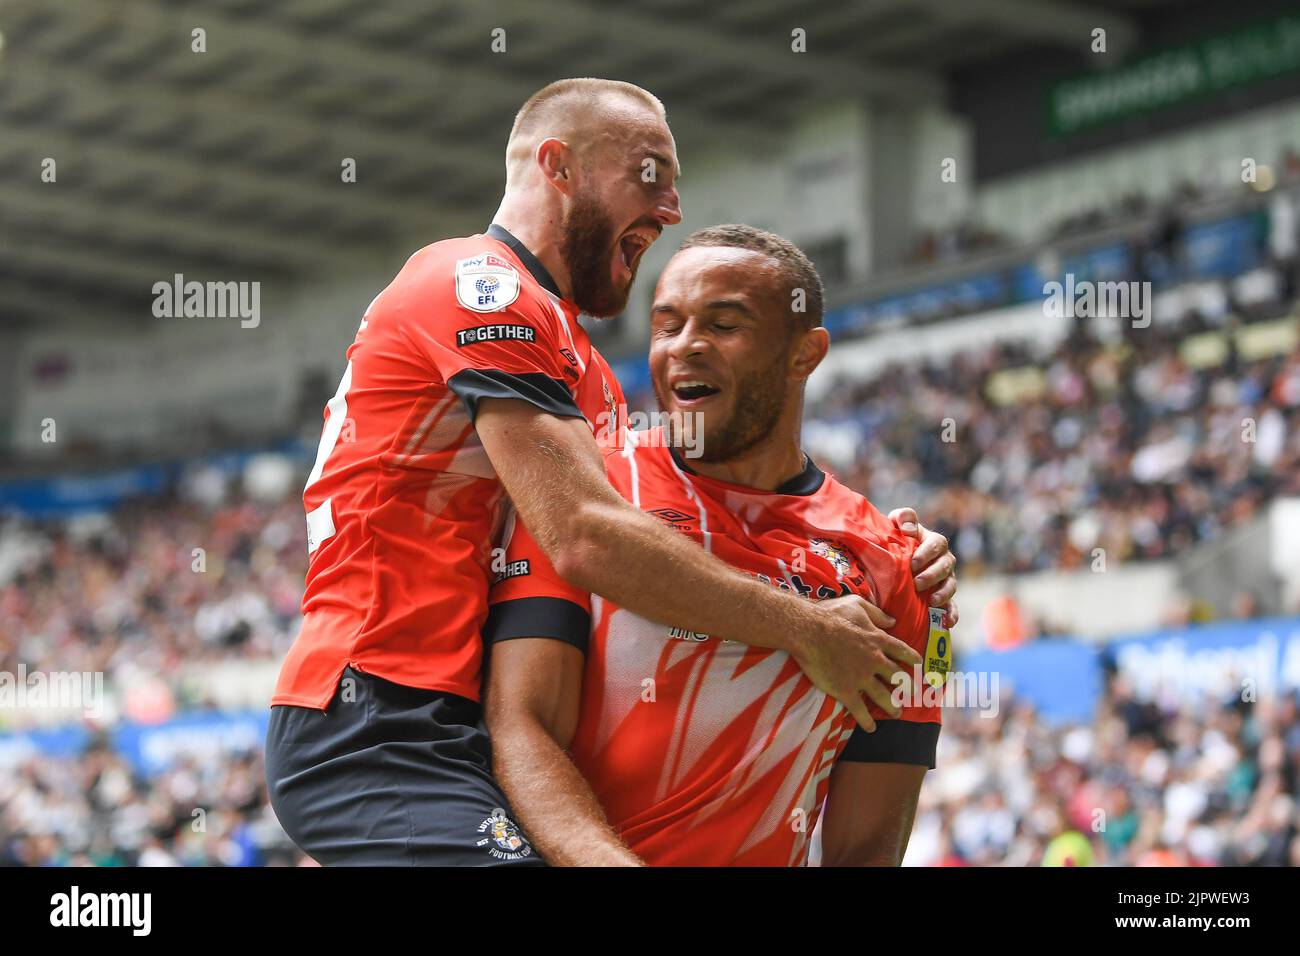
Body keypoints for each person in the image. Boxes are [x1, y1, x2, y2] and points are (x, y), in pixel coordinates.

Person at [265, 79, 956, 865]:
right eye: (651, 173)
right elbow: (590, 536)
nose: (670, 208)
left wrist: (898, 557)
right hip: (377, 703)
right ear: (558, 167)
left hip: (448, 714)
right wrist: (807, 627)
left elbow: (673, 518)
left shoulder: (585, 370)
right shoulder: (474, 284)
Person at [484, 226, 948, 866]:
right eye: (666, 324)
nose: (686, 346)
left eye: (724, 325)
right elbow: (519, 727)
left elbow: (866, 848)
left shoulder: (897, 567)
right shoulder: (584, 496)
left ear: (803, 354)